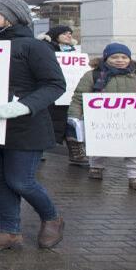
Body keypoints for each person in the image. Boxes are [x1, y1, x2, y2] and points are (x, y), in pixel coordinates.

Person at [0, 0, 67, 253]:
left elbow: (55, 84)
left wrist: (24, 105)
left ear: (11, 17)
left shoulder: (33, 47)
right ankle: (10, 232)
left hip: (25, 126)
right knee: (0, 181)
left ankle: (51, 217)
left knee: (20, 181)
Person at [67, 42, 136, 191]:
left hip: (133, 123)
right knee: (99, 145)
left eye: (124, 57)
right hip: (102, 121)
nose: (120, 60)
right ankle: (96, 167)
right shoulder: (93, 75)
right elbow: (79, 97)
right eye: (115, 57)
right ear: (106, 59)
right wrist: (74, 116)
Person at [39, 25, 87, 166]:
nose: (69, 36)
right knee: (44, 120)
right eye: (65, 33)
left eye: (70, 33)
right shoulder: (43, 49)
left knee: (72, 120)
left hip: (68, 93)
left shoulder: (73, 51)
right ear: (55, 34)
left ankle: (75, 151)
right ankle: (37, 148)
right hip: (49, 92)